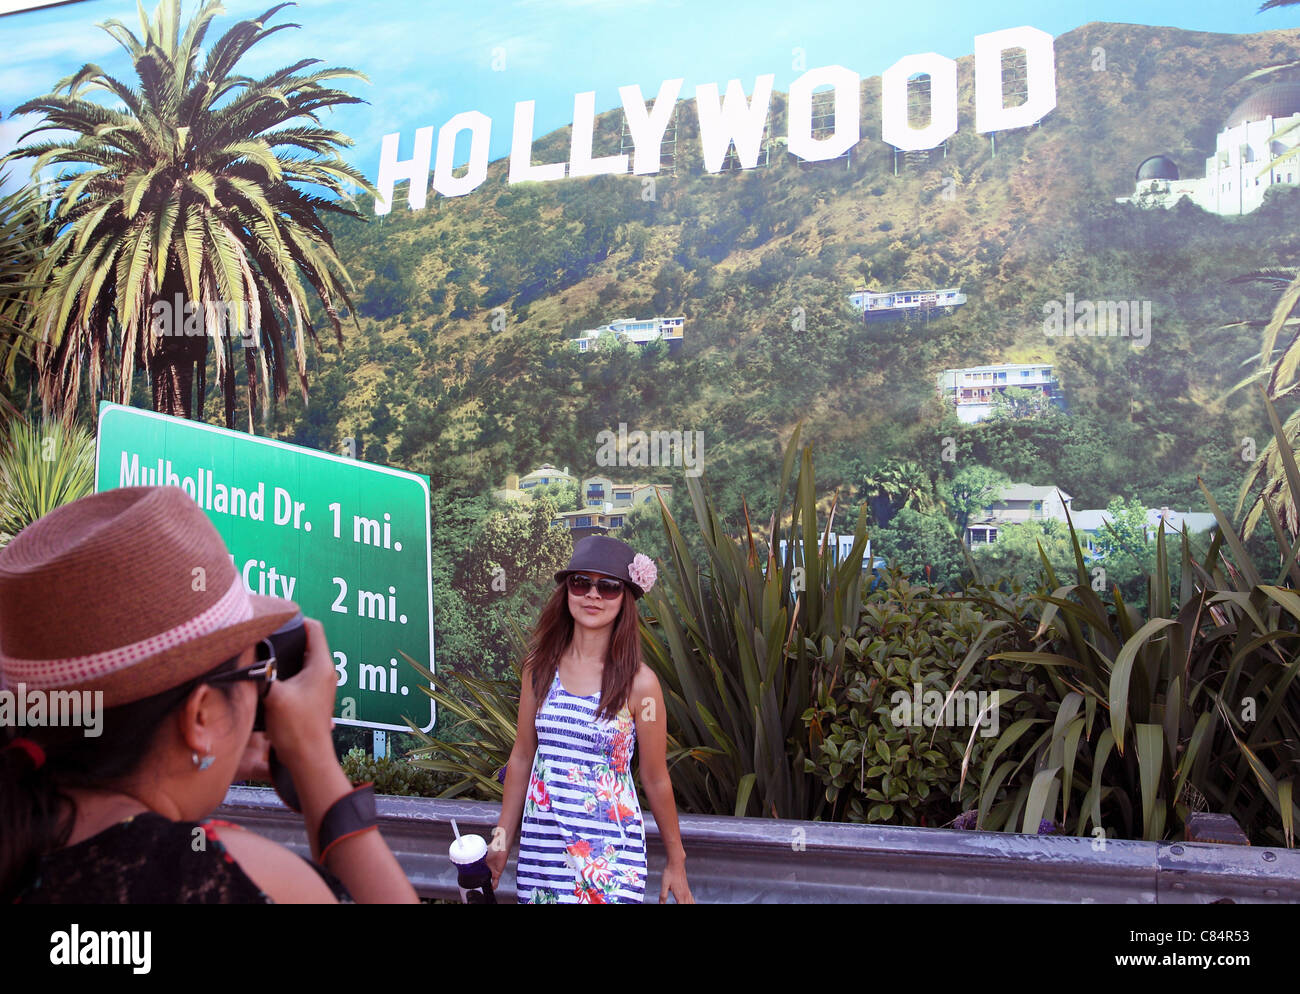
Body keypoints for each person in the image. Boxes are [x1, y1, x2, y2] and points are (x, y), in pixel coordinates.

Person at [0, 485, 418, 904]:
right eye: (255, 673)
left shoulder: (21, 842)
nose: (259, 695)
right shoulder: (230, 875)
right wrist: (312, 758)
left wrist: (208, 749)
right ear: (200, 715)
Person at [488, 535, 693, 904]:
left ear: (625, 598)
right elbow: (521, 758)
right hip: (543, 858)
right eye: (581, 582)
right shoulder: (539, 670)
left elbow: (655, 777)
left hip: (611, 861)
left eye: (609, 586)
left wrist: (676, 861)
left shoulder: (640, 684)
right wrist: (501, 841)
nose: (593, 595)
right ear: (566, 591)